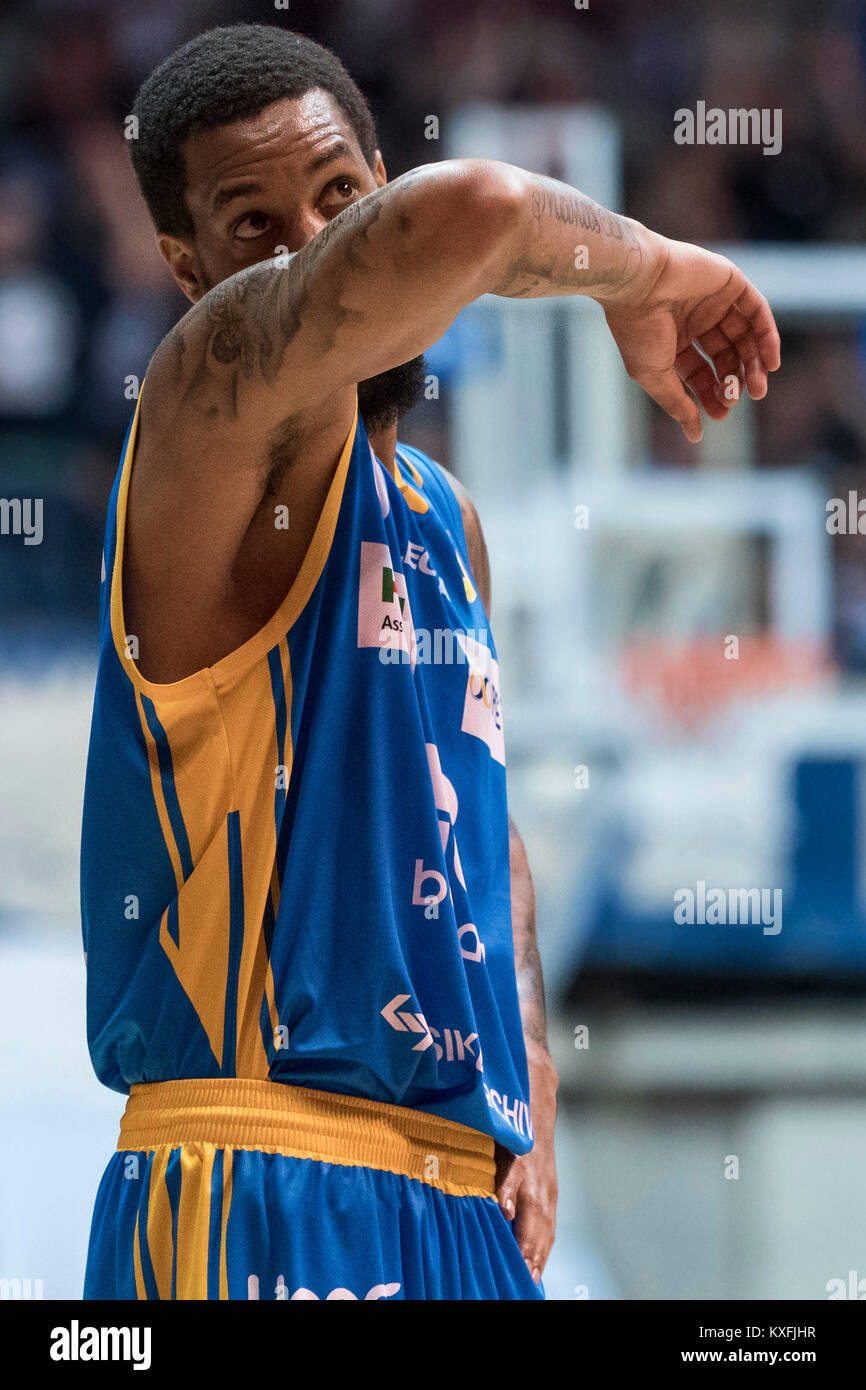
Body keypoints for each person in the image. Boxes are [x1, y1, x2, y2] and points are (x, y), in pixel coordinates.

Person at [80, 23, 780, 1301]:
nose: (312, 239)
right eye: (255, 222)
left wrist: (530, 1086)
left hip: (458, 1187)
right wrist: (643, 274)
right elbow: (478, 208)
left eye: (339, 195)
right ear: (188, 269)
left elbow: (484, 826)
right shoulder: (199, 417)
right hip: (258, 1174)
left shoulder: (444, 519)